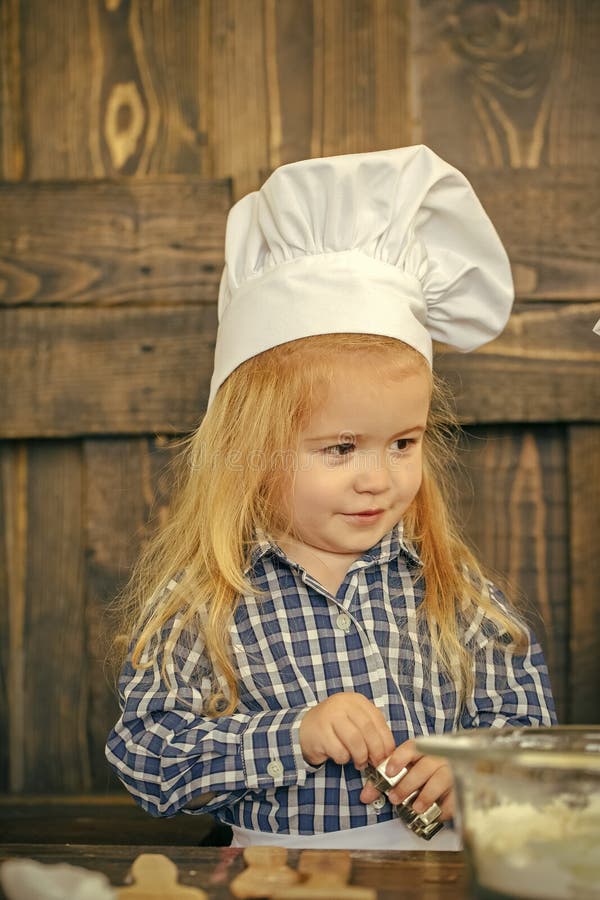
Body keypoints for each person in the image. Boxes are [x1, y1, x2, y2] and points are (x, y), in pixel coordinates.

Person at [106, 146, 556, 850]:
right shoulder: (206, 599)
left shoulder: (443, 580)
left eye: (402, 444)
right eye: (341, 449)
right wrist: (294, 734)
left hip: (438, 870)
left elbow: (524, 715)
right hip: (277, 876)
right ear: (250, 455)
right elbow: (147, 759)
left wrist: (474, 763)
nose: (378, 477)